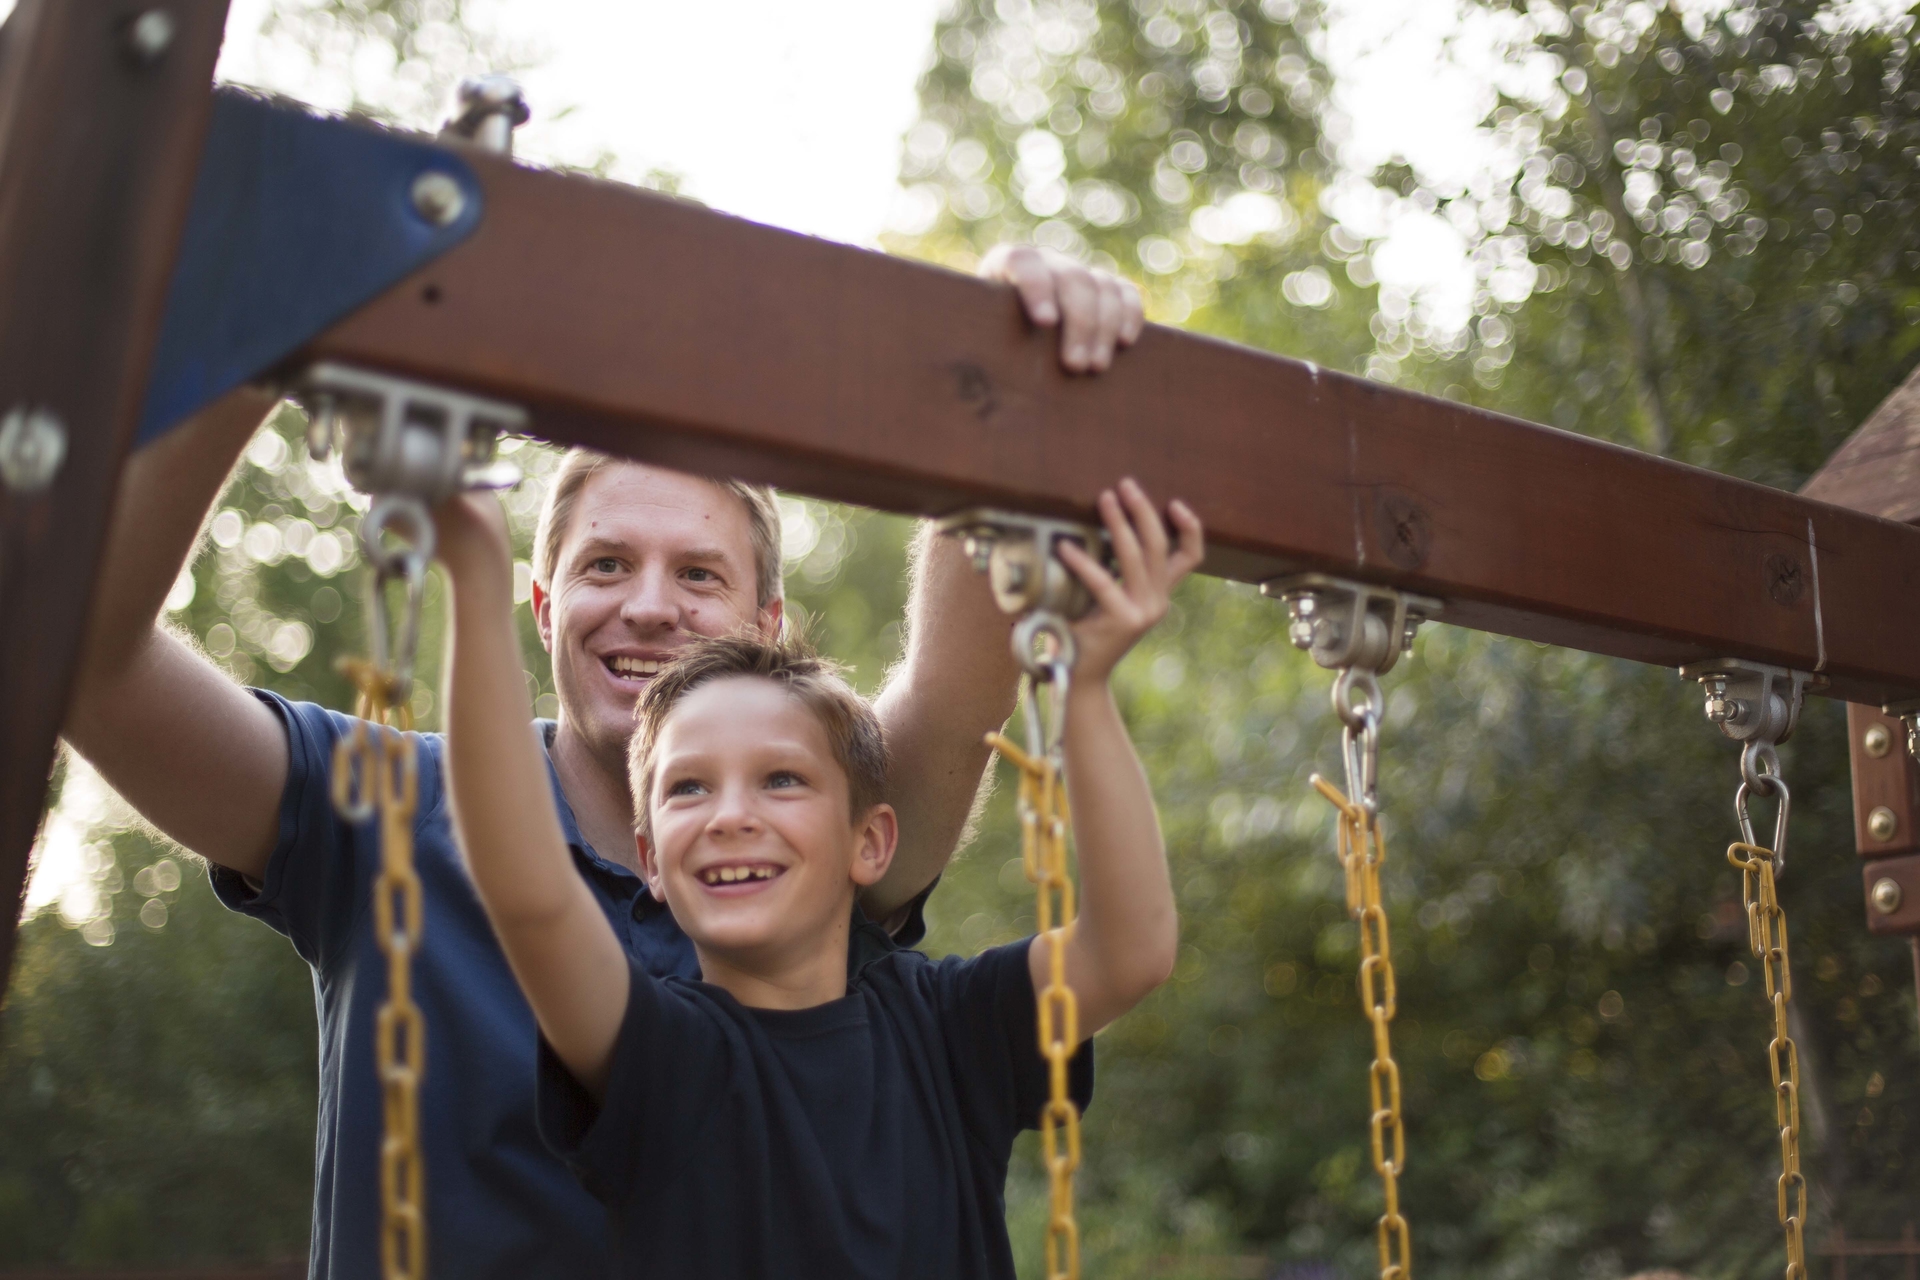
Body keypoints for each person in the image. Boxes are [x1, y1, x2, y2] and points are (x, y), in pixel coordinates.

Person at [59, 247, 1144, 1279]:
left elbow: (957, 697)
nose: (648, 603)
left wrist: (1007, 345)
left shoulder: (806, 843)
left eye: (699, 573)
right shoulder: (385, 806)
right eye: (607, 564)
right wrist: (261, 330)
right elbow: (94, 666)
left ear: (768, 625)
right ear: (542, 607)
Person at [433, 471, 1203, 1277]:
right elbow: (529, 896)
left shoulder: (951, 1030)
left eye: (782, 780)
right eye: (690, 787)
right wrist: (477, 575)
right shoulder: (660, 1058)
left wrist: (1084, 684)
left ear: (868, 844)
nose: (731, 815)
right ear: (652, 859)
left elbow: (1133, 949)